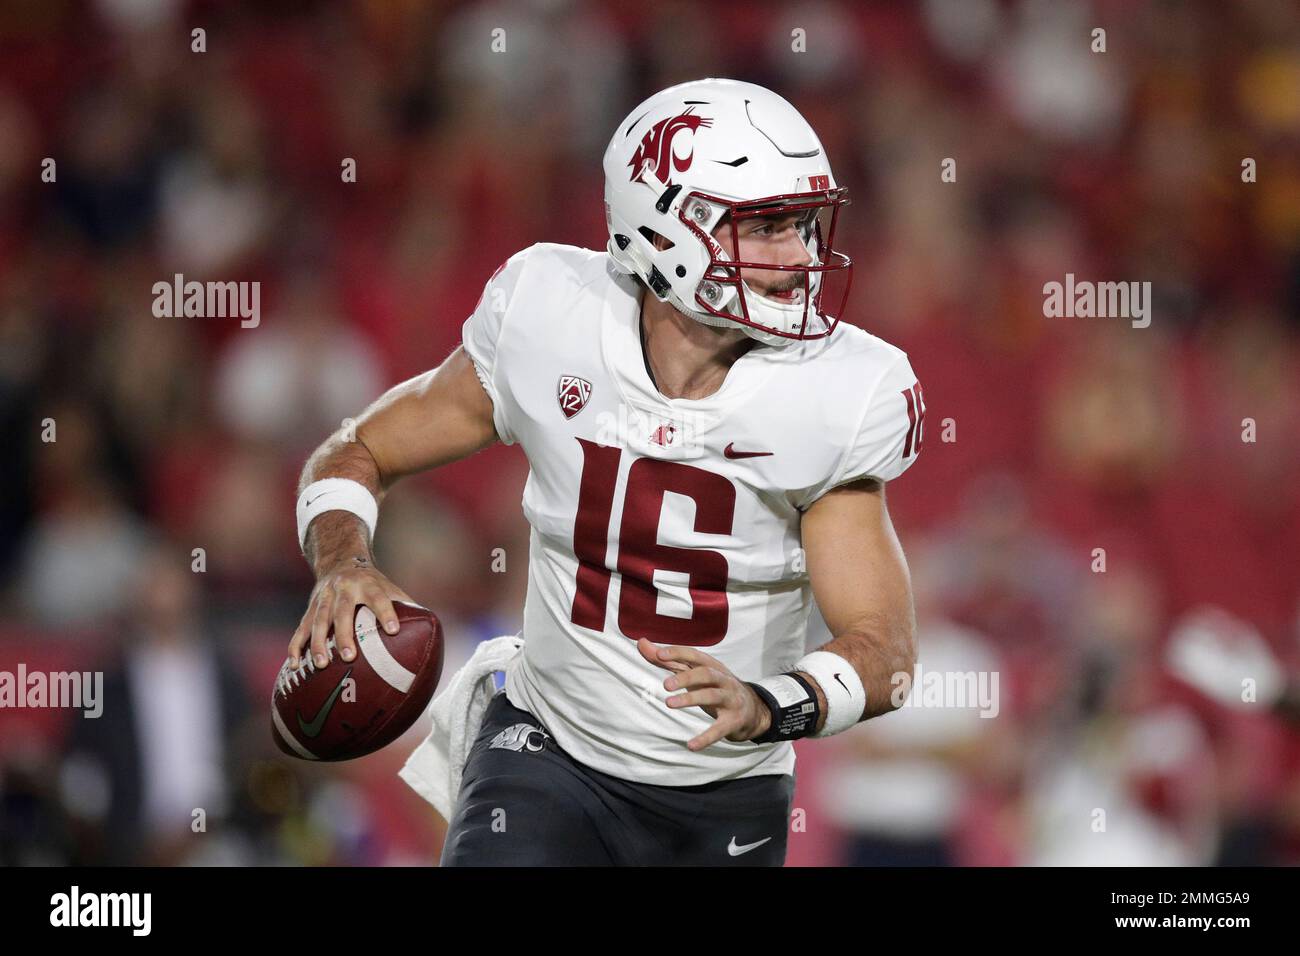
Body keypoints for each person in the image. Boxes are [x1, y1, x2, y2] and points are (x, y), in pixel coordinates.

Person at [288, 78, 926, 866]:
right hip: (545, 752)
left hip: (724, 793)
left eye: (802, 225)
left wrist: (769, 705)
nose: (801, 257)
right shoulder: (552, 315)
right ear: (666, 231)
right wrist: (343, 562)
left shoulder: (838, 390)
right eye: (765, 229)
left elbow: (886, 653)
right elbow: (356, 450)